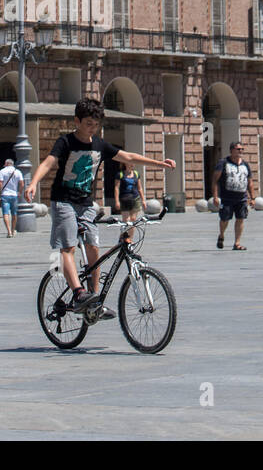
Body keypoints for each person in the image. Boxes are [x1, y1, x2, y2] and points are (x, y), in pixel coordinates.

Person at [26, 97, 176, 315]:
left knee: (93, 246)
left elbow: (129, 156)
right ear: (77, 121)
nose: (92, 129)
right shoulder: (66, 142)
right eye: (88, 124)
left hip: (86, 203)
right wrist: (33, 183)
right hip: (63, 201)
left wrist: (159, 163)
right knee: (67, 246)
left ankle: (93, 301)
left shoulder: (100, 145)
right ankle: (78, 293)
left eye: (96, 125)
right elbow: (48, 163)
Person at [212, 142, 255, 250]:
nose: (240, 151)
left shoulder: (245, 165)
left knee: (240, 218)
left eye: (242, 149)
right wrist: (215, 196)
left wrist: (252, 198)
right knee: (225, 219)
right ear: (231, 150)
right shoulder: (223, 163)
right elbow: (215, 180)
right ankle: (221, 235)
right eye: (238, 149)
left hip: (241, 197)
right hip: (227, 197)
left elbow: (250, 182)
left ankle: (237, 243)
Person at [0, 158, 23, 237]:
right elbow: (22, 183)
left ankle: (9, 232)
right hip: (14, 195)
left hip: (5, 195)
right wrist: (20, 192)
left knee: (5, 213)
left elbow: (0, 183)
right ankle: (12, 229)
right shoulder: (18, 172)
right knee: (14, 214)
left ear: (6, 163)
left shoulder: (2, 171)